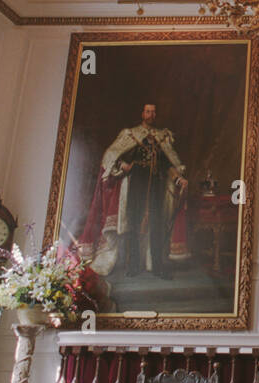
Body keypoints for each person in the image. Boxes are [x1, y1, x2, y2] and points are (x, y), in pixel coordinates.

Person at [78, 103, 190, 278]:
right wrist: (122, 164)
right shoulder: (131, 135)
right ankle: (134, 265)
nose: (151, 115)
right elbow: (112, 154)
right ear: (142, 114)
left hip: (156, 186)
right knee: (134, 223)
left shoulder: (162, 137)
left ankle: (158, 266)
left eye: (153, 112)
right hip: (135, 183)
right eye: (148, 111)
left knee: (156, 224)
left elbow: (168, 164)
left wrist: (178, 178)